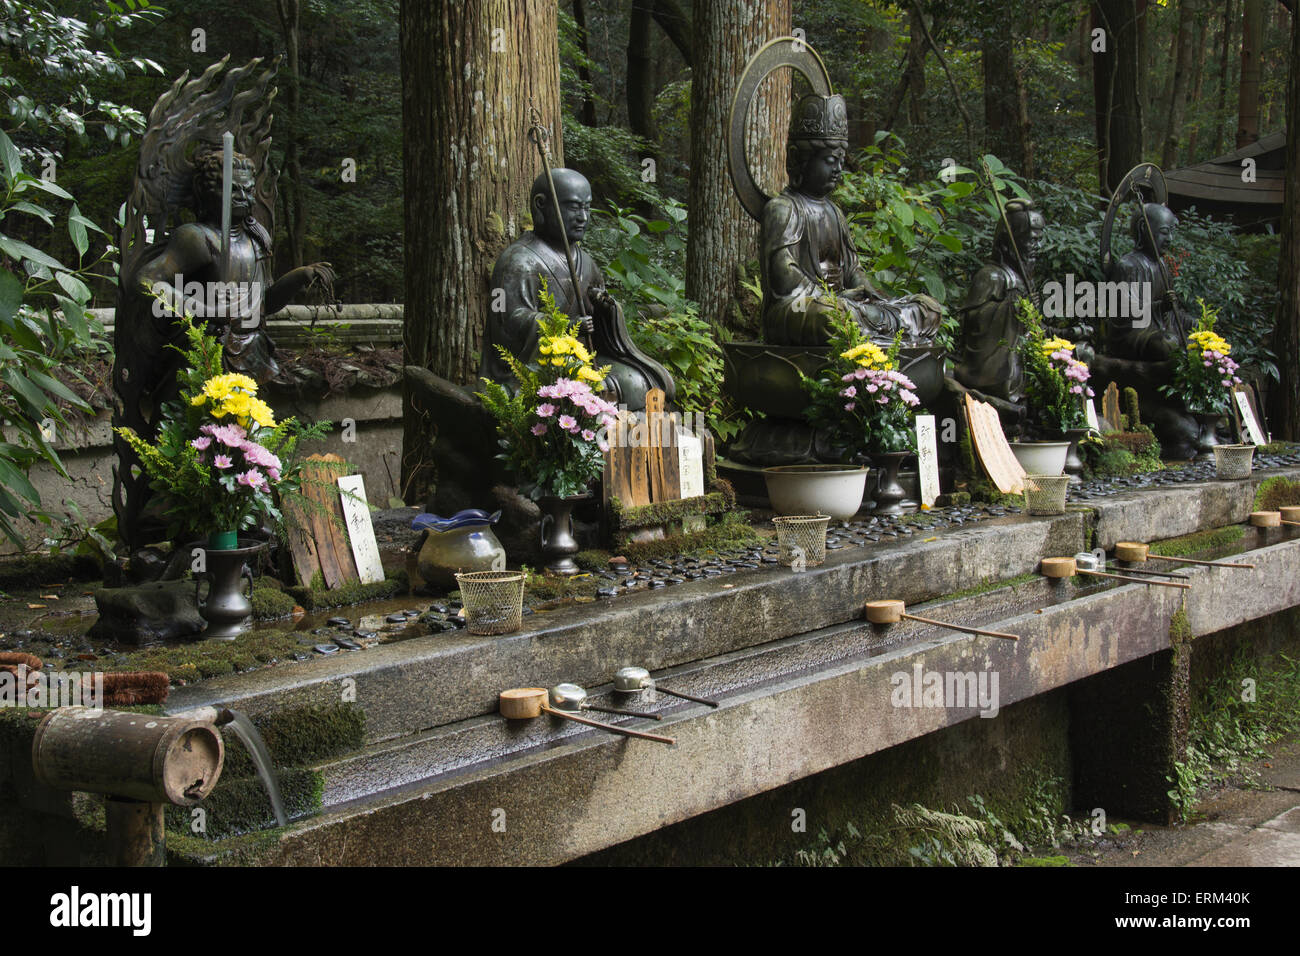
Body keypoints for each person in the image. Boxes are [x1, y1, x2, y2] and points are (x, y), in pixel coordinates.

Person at [481, 168, 673, 410]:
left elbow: (600, 325)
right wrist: (565, 327)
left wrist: (607, 311)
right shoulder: (518, 261)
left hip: (584, 359)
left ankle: (636, 440)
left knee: (639, 381)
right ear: (541, 206)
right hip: (537, 365)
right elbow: (507, 321)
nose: (583, 217)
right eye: (573, 207)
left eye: (587, 207)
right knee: (606, 388)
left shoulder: (587, 262)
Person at [760, 93, 941, 347]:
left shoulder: (835, 212)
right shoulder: (783, 208)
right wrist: (836, 299)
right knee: (828, 317)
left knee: (927, 309)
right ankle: (876, 336)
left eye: (842, 161)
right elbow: (785, 280)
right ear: (800, 159)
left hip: (847, 304)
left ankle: (877, 336)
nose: (838, 170)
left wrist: (867, 292)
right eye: (830, 161)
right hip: (802, 307)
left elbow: (853, 268)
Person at [952, 198, 1044, 413]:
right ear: (1007, 242)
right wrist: (1012, 308)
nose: (1037, 247)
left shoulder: (1024, 280)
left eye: (1040, 240)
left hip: (1022, 352)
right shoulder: (991, 276)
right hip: (995, 363)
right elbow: (971, 322)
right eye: (1031, 240)